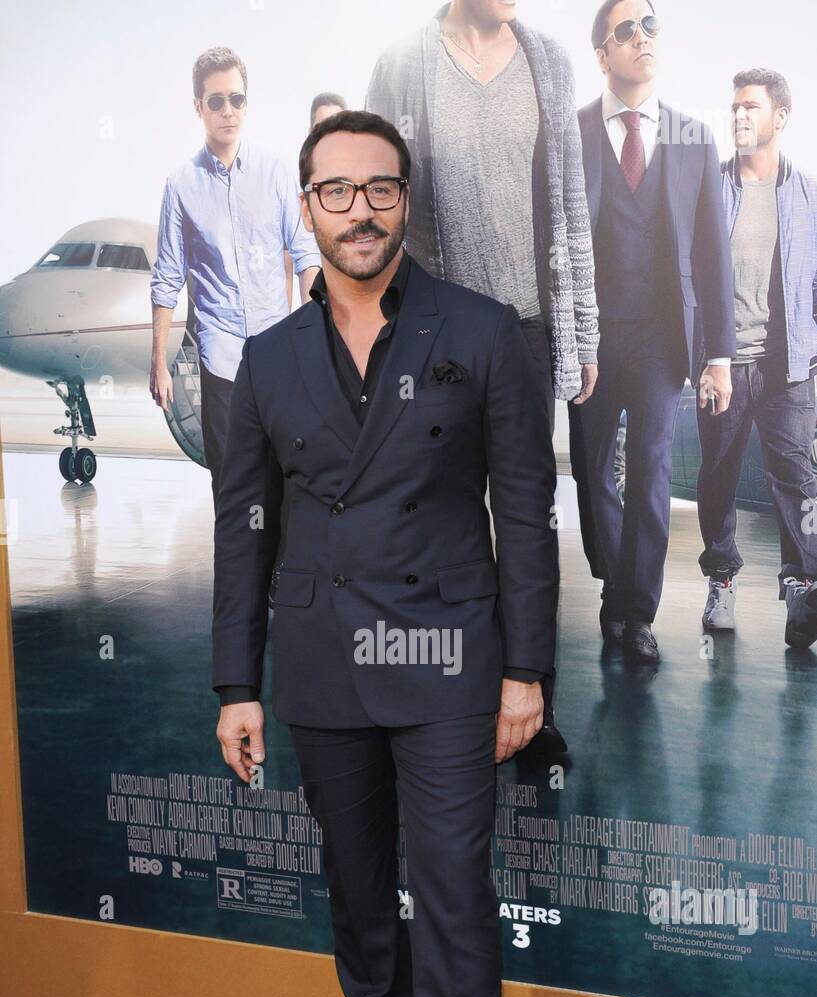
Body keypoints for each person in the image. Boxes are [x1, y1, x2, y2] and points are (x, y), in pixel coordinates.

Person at [212, 110, 560, 997]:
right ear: (306, 206)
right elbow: (242, 531)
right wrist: (237, 682)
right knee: (360, 894)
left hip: (449, 656)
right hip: (322, 665)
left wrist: (525, 671)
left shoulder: (484, 329)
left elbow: (526, 510)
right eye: (335, 191)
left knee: (453, 895)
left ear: (404, 199)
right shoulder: (265, 360)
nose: (358, 210)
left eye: (379, 188)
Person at [365, 0, 601, 761]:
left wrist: (582, 329)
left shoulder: (548, 61)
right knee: (433, 520)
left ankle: (532, 705)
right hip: (432, 334)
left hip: (527, 331)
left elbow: (569, 208)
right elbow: (376, 204)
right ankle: (441, 704)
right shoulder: (403, 62)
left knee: (527, 521)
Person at [568, 0, 736, 664]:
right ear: (601, 54)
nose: (641, 38)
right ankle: (617, 579)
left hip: (663, 339)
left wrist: (717, 355)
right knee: (588, 473)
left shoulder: (693, 137)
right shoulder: (571, 132)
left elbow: (710, 256)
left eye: (649, 26)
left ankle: (635, 613)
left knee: (651, 469)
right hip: (589, 339)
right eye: (625, 31)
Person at [149, 47, 321, 506]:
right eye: (216, 101)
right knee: (231, 490)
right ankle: (239, 580)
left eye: (237, 100)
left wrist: (318, 333)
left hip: (276, 357)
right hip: (220, 360)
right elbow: (167, 277)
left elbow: (306, 254)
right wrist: (158, 362)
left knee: (287, 486)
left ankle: (281, 579)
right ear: (198, 108)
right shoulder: (181, 185)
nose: (229, 111)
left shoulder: (276, 172)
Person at [695, 69, 817, 649]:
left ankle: (803, 586)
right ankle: (721, 579)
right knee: (717, 475)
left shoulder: (808, 195)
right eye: (734, 106)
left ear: (780, 117)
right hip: (724, 362)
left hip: (788, 367)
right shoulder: (711, 190)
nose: (739, 116)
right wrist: (704, 356)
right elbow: (689, 277)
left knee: (798, 478)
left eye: (751, 107)